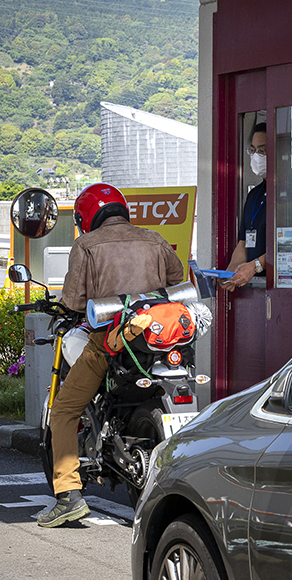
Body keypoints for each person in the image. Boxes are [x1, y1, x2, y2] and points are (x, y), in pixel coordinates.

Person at [39, 182, 184, 527]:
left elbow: (74, 301)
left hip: (111, 342)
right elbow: (178, 280)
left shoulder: (86, 245)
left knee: (64, 411)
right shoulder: (155, 239)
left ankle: (68, 496)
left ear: (85, 217)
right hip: (159, 341)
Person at [221, 124, 268, 290]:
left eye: (262, 151)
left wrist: (255, 266)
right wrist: (230, 273)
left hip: (283, 286)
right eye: (253, 150)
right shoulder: (254, 194)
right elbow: (243, 242)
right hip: (253, 287)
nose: (256, 157)